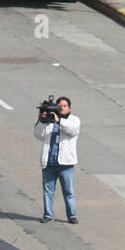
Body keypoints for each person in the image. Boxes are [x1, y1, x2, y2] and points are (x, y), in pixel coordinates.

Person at [34, 96, 80, 224]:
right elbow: (38, 135)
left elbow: (73, 131)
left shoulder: (74, 120)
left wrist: (59, 121)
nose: (61, 108)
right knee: (48, 190)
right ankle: (48, 214)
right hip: (49, 161)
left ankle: (72, 215)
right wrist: (42, 120)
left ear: (69, 108)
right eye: (59, 106)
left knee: (69, 191)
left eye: (64, 106)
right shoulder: (49, 120)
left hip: (66, 163)